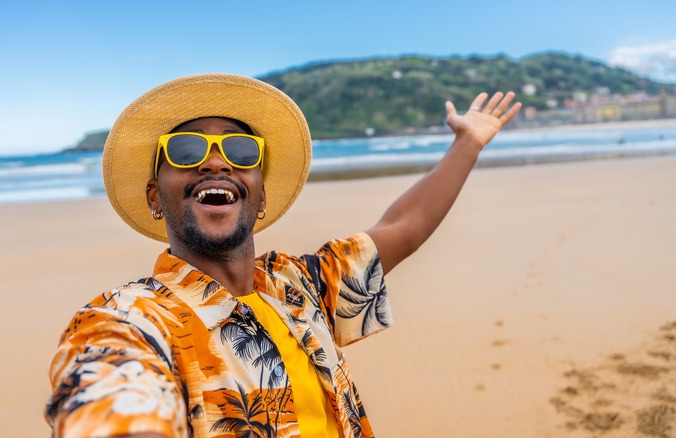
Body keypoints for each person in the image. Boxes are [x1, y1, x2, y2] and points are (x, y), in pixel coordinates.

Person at [45, 73, 521, 437]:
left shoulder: (299, 285)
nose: (215, 161)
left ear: (261, 194)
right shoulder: (131, 319)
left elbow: (402, 227)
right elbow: (108, 387)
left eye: (240, 149)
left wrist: (467, 143)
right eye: (187, 150)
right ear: (155, 196)